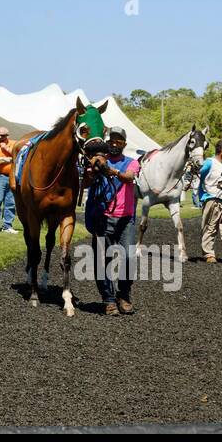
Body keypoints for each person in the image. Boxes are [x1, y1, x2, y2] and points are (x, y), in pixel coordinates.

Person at [83, 127, 139, 315]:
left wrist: (110, 170)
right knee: (102, 260)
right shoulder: (97, 160)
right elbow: (84, 183)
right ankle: (108, 299)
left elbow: (128, 177)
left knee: (129, 258)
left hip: (125, 218)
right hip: (102, 217)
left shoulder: (132, 162)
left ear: (124, 143)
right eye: (112, 140)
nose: (115, 143)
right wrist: (91, 170)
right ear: (107, 143)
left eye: (119, 141)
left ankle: (123, 295)